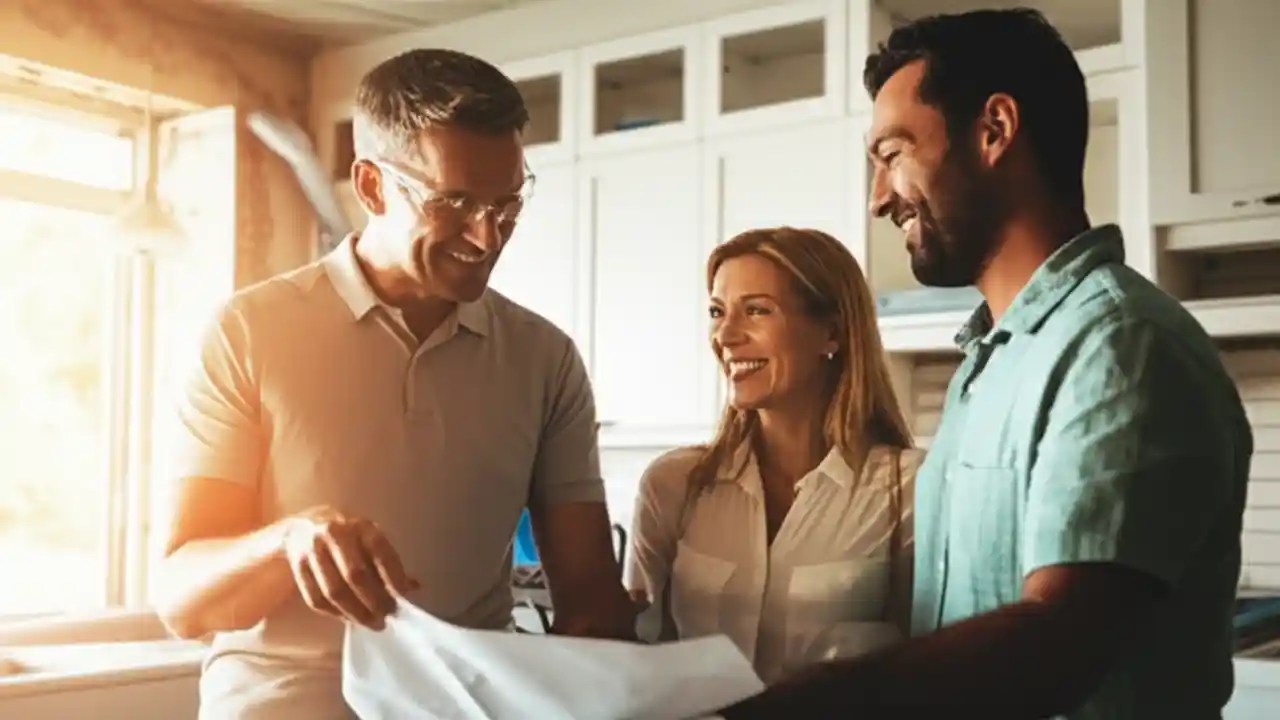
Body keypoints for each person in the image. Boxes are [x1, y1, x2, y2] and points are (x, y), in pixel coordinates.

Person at [720, 9, 1253, 719]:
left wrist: (779, 709)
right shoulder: (988, 364)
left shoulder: (1119, 344)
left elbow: (1058, 642)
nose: (879, 197)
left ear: (995, 130)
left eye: (892, 154)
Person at [152, 48, 636, 719]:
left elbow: (589, 597)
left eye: (508, 203)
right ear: (373, 187)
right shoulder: (249, 331)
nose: (488, 234)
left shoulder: (545, 358)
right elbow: (183, 602)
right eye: (455, 202)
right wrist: (290, 539)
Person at [626, 227, 923, 684]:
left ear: (831, 332)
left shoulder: (906, 490)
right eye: (717, 312)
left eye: (757, 310)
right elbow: (640, 664)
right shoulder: (673, 487)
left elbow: (926, 672)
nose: (725, 335)